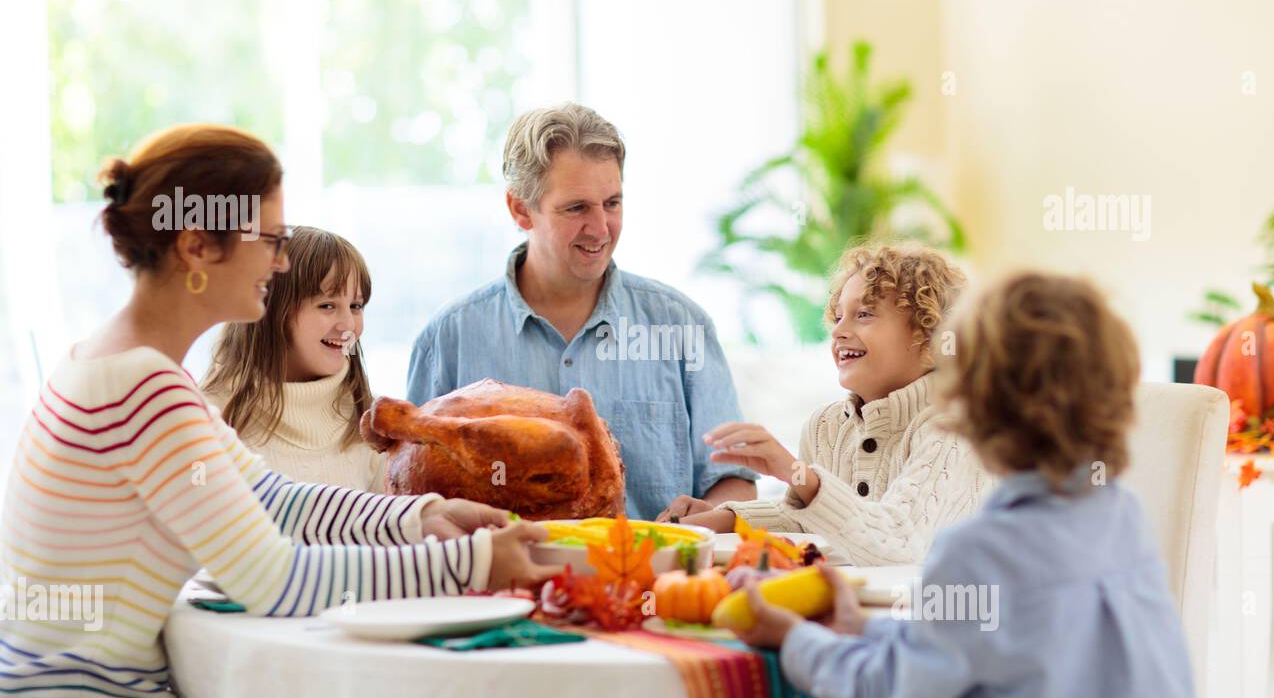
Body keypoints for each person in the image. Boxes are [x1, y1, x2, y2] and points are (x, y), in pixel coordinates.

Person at [0, 124, 556, 698]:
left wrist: (416, 518)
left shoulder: (118, 364)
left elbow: (268, 497)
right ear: (197, 245)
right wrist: (473, 562)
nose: (281, 261)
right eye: (270, 240)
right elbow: (272, 581)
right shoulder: (143, 389)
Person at [735, 272, 1196, 698]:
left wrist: (794, 638)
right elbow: (992, 642)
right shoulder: (1118, 514)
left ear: (968, 404)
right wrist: (865, 628)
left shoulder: (982, 551)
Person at [406, 103, 758, 520]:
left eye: (612, 203)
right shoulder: (450, 339)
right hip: (498, 582)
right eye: (576, 208)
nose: (600, 227)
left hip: (651, 578)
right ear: (521, 209)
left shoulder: (683, 326)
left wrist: (711, 516)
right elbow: (410, 496)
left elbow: (736, 481)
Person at [667, 242, 988, 567]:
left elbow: (898, 544)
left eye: (864, 314)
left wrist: (799, 475)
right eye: (837, 317)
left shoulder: (955, 426)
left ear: (930, 333)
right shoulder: (827, 426)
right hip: (859, 605)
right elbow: (808, 518)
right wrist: (721, 519)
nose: (838, 330)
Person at [203, 226, 386, 492]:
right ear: (271, 311)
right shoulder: (210, 419)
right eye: (327, 305)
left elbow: (395, 528)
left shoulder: (371, 420)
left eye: (356, 306)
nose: (348, 325)